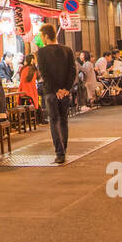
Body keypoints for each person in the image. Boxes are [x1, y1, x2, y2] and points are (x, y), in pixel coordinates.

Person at [35, 23, 77, 164]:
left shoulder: (41, 53)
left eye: (42, 36)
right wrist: (65, 88)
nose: (42, 39)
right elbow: (72, 71)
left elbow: (45, 74)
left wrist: (56, 89)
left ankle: (60, 153)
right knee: (64, 120)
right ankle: (63, 149)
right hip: (64, 93)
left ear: (46, 36)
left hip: (51, 93)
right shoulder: (67, 50)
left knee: (54, 121)